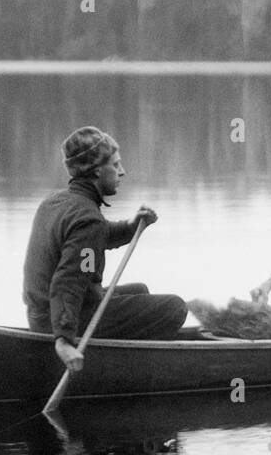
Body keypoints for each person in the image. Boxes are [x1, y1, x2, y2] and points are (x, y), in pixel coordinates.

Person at [23, 126, 187, 371]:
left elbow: (91, 239)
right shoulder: (88, 219)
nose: (123, 171)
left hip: (41, 316)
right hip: (63, 321)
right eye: (116, 165)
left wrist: (131, 227)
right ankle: (126, 368)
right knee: (174, 308)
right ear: (98, 170)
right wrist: (64, 341)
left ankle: (120, 352)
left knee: (139, 289)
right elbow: (69, 282)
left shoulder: (57, 202)